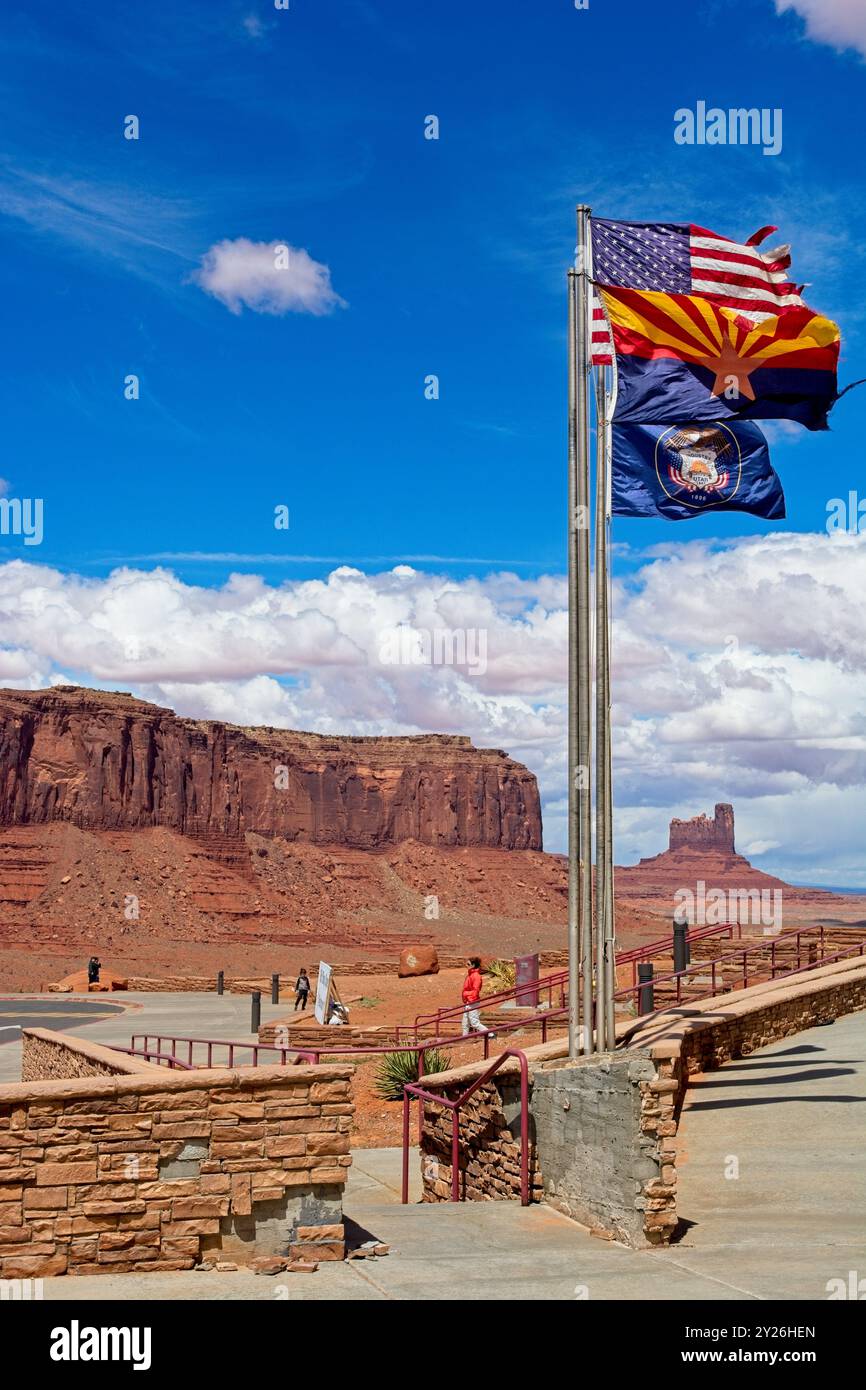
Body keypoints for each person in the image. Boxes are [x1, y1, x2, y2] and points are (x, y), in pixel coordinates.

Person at [461, 956, 485, 1036]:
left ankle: (490, 1034)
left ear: (473, 965)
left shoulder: (476, 976)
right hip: (468, 1002)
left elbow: (476, 990)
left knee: (474, 1023)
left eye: (468, 964)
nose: (466, 965)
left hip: (472, 1002)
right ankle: (464, 1038)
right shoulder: (470, 975)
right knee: (465, 1023)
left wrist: (468, 998)